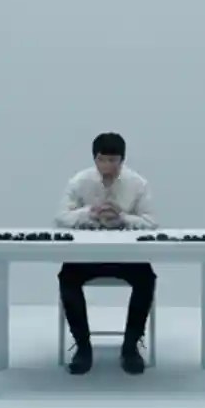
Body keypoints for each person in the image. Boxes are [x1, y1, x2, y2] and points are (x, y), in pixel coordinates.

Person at [54, 132, 158, 375]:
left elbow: (151, 221)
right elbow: (61, 217)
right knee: (67, 278)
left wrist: (123, 218)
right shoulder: (79, 181)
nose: (107, 166)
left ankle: (130, 347)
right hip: (88, 254)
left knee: (146, 279)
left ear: (122, 160)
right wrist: (89, 213)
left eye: (113, 160)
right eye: (102, 160)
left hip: (126, 255)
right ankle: (82, 347)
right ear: (95, 159)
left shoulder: (137, 183)